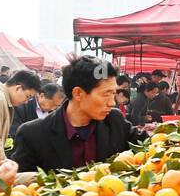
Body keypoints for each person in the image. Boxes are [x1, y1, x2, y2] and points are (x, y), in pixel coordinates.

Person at [11, 56, 144, 172]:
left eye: (113, 94)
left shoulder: (115, 121)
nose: (112, 103)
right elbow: (23, 190)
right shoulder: (32, 135)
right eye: (106, 94)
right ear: (78, 93)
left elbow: (146, 146)